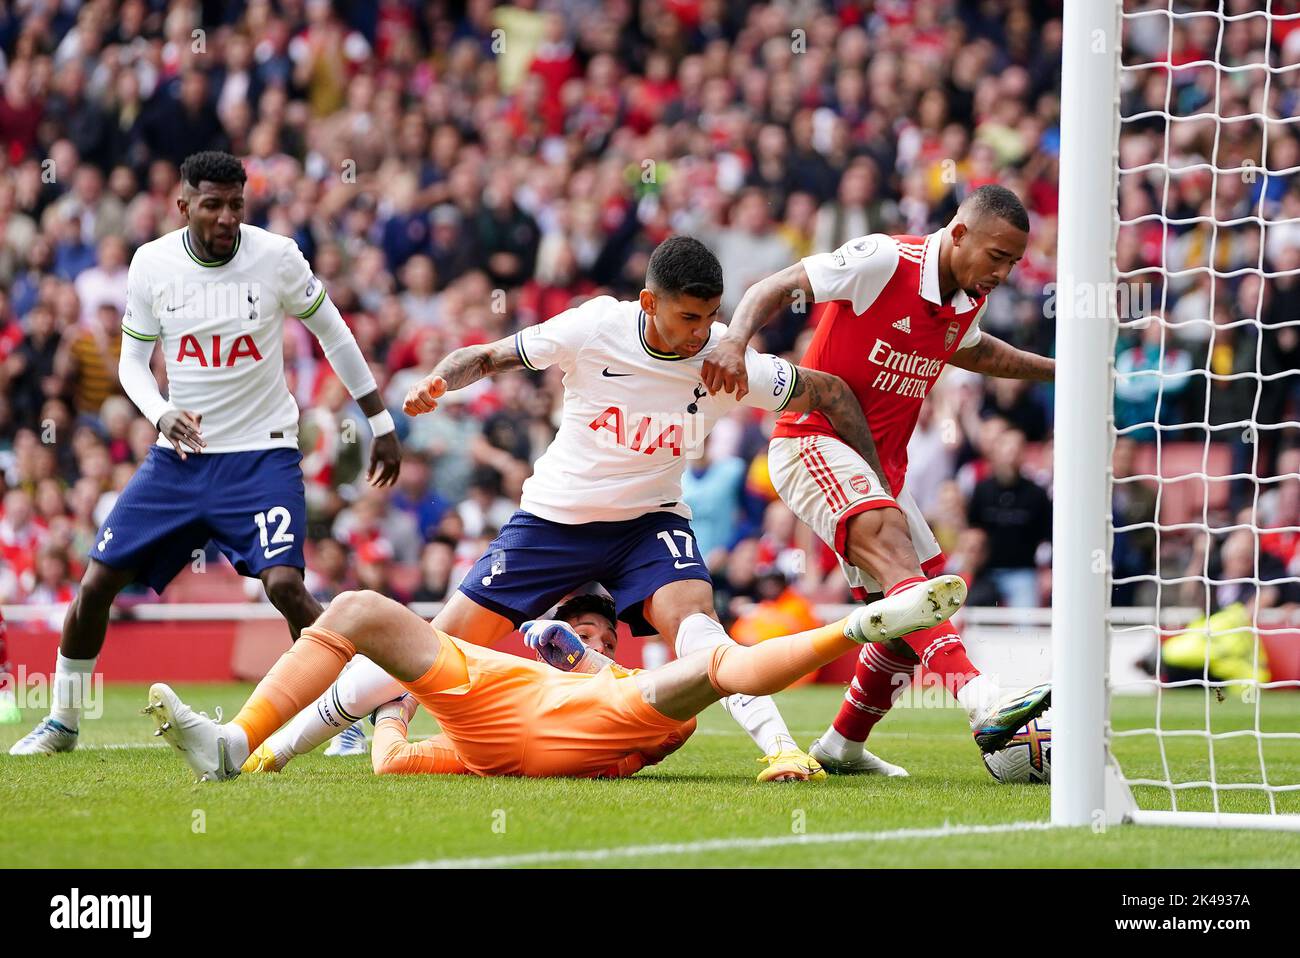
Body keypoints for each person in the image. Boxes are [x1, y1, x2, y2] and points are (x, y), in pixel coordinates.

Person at [212, 235, 915, 782]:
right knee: (444, 644)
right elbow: (488, 356)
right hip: (553, 520)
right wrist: (437, 383)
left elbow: (831, 395)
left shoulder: (726, 361)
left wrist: (878, 482)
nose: (703, 331)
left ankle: (782, 751)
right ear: (648, 303)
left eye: (711, 317)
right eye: (689, 316)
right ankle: (291, 741)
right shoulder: (595, 327)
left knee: (696, 625)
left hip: (651, 524)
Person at [9, 151, 402, 755]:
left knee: (285, 587)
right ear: (183, 204)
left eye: (236, 205)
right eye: (212, 204)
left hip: (262, 456)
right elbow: (132, 364)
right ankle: (62, 721)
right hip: (180, 459)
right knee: (95, 584)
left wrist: (379, 419)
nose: (226, 217)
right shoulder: (152, 264)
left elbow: (335, 334)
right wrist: (160, 412)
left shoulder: (276, 257)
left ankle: (346, 711)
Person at [700, 184, 1055, 773]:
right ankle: (981, 699)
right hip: (812, 439)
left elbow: (974, 352)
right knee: (899, 561)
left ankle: (842, 746)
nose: (1004, 272)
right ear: (959, 234)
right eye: (997, 257)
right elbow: (776, 285)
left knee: (909, 610)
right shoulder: (884, 259)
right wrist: (736, 340)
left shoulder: (969, 295)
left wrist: (1056, 371)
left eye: (1014, 262)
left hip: (877, 468)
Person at [146, 575, 975, 782]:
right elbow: (380, 726)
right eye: (574, 625)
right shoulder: (497, 659)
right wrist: (281, 749)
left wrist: (580, 656)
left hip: (601, 717)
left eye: (596, 627)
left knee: (716, 661)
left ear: (615, 635)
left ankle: (861, 623)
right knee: (361, 609)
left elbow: (604, 676)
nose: (579, 634)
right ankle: (232, 743)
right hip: (496, 711)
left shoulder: (622, 673)